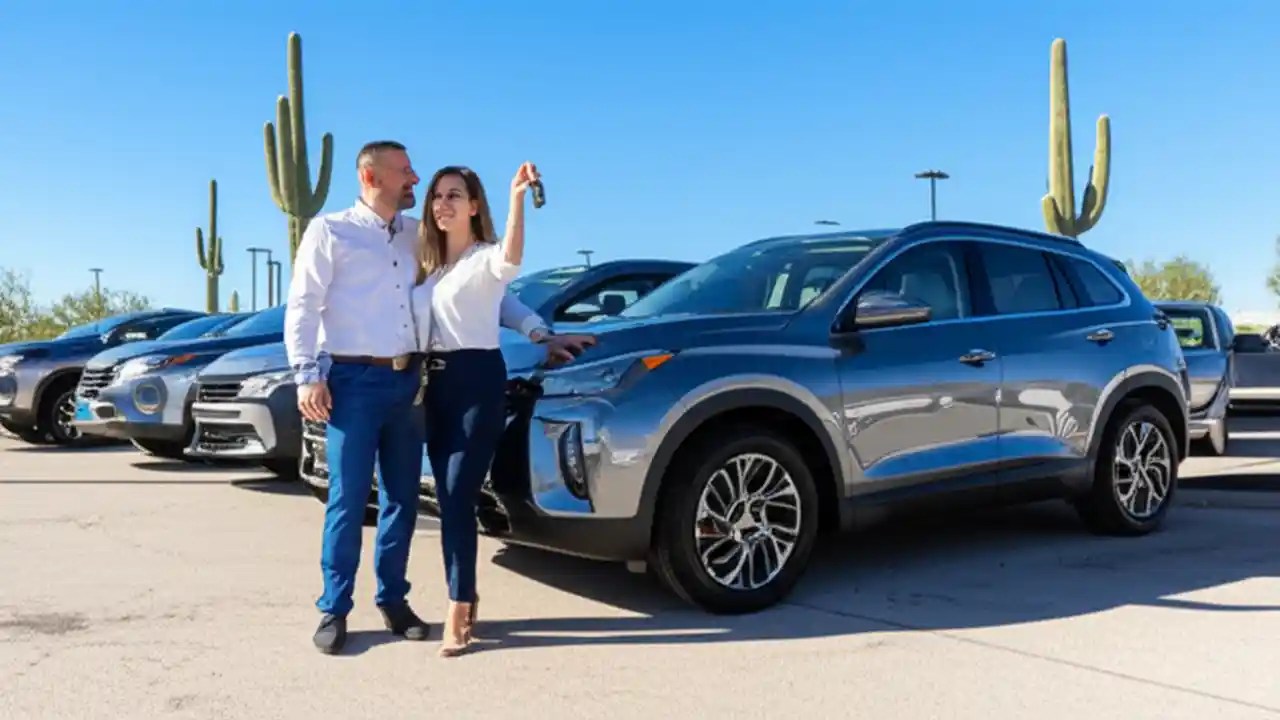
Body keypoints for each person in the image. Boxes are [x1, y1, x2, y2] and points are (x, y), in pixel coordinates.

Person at [286, 141, 591, 655]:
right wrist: (306, 374)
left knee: (403, 500)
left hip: (410, 384)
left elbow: (495, 283)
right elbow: (304, 305)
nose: (415, 180)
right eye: (405, 172)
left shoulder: (417, 235)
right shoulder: (331, 231)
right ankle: (334, 608)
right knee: (346, 499)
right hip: (353, 383)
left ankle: (394, 601)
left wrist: (542, 332)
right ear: (371, 177)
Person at [411, 162, 545, 657]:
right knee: (446, 498)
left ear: (473, 206)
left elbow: (509, 262)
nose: (443, 203)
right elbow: (506, 305)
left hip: (476, 382)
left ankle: (458, 605)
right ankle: (463, 595)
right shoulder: (429, 269)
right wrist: (537, 328)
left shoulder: (487, 257)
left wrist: (516, 200)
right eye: (437, 196)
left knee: (456, 494)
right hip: (433, 386)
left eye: (454, 195)